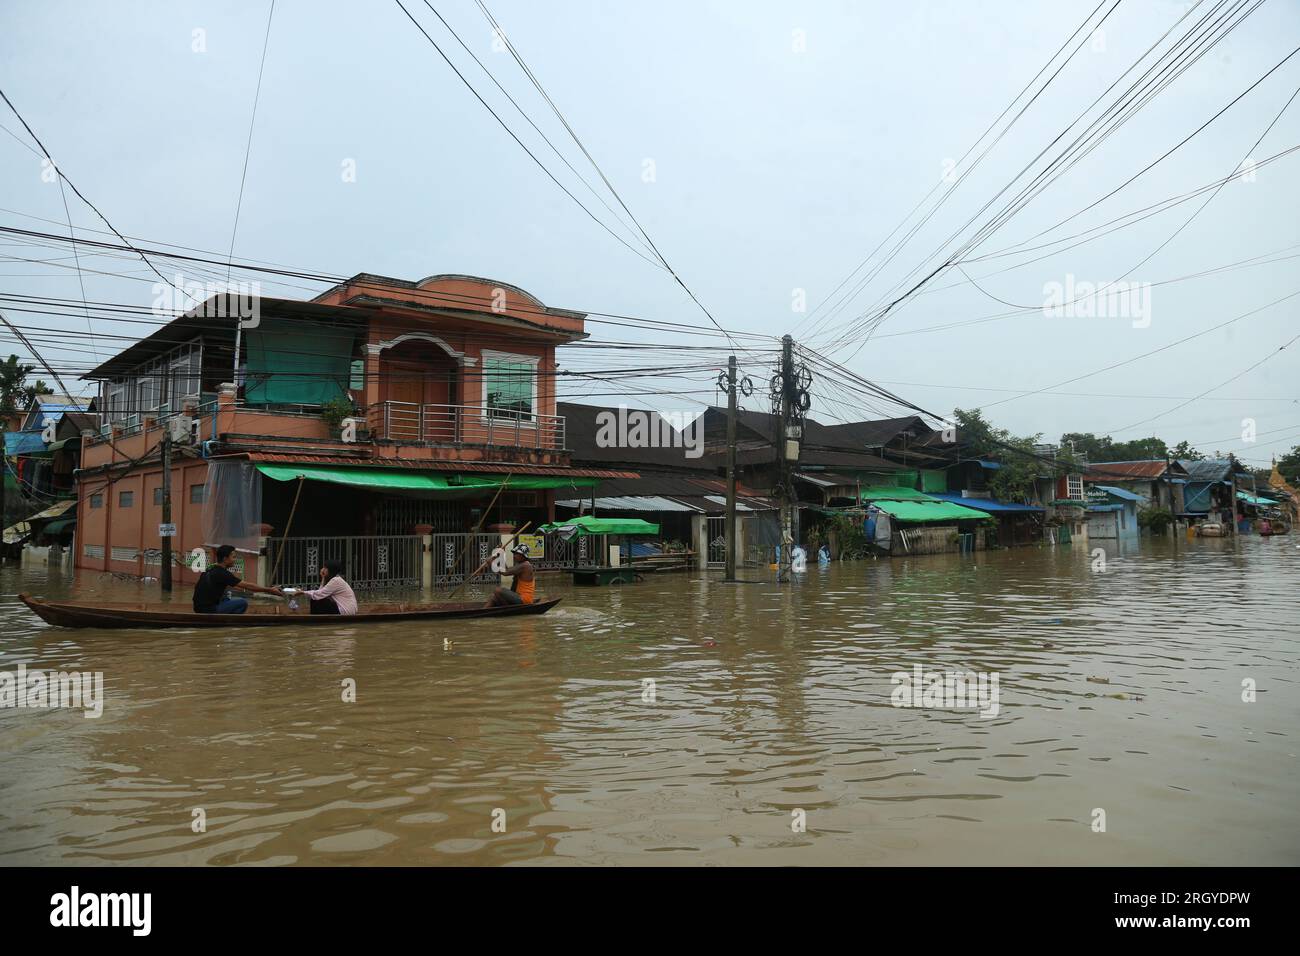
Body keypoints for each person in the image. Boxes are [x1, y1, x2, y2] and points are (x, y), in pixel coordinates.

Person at [193, 544, 281, 614]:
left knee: (227, 595)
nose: (235, 560)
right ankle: (229, 621)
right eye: (233, 557)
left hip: (197, 608)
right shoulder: (223, 573)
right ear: (225, 559)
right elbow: (247, 586)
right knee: (243, 602)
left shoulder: (209, 569)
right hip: (209, 610)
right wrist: (269, 590)